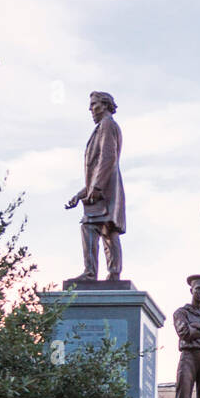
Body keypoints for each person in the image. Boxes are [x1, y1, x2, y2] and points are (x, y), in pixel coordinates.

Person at [65, 91, 126, 282]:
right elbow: (100, 165)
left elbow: (107, 158)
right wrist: (80, 193)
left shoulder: (107, 125)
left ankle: (90, 272)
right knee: (109, 230)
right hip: (107, 186)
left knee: (89, 226)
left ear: (106, 105)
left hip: (105, 188)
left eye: (94, 104)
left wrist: (96, 188)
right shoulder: (104, 127)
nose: (91, 109)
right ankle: (114, 273)